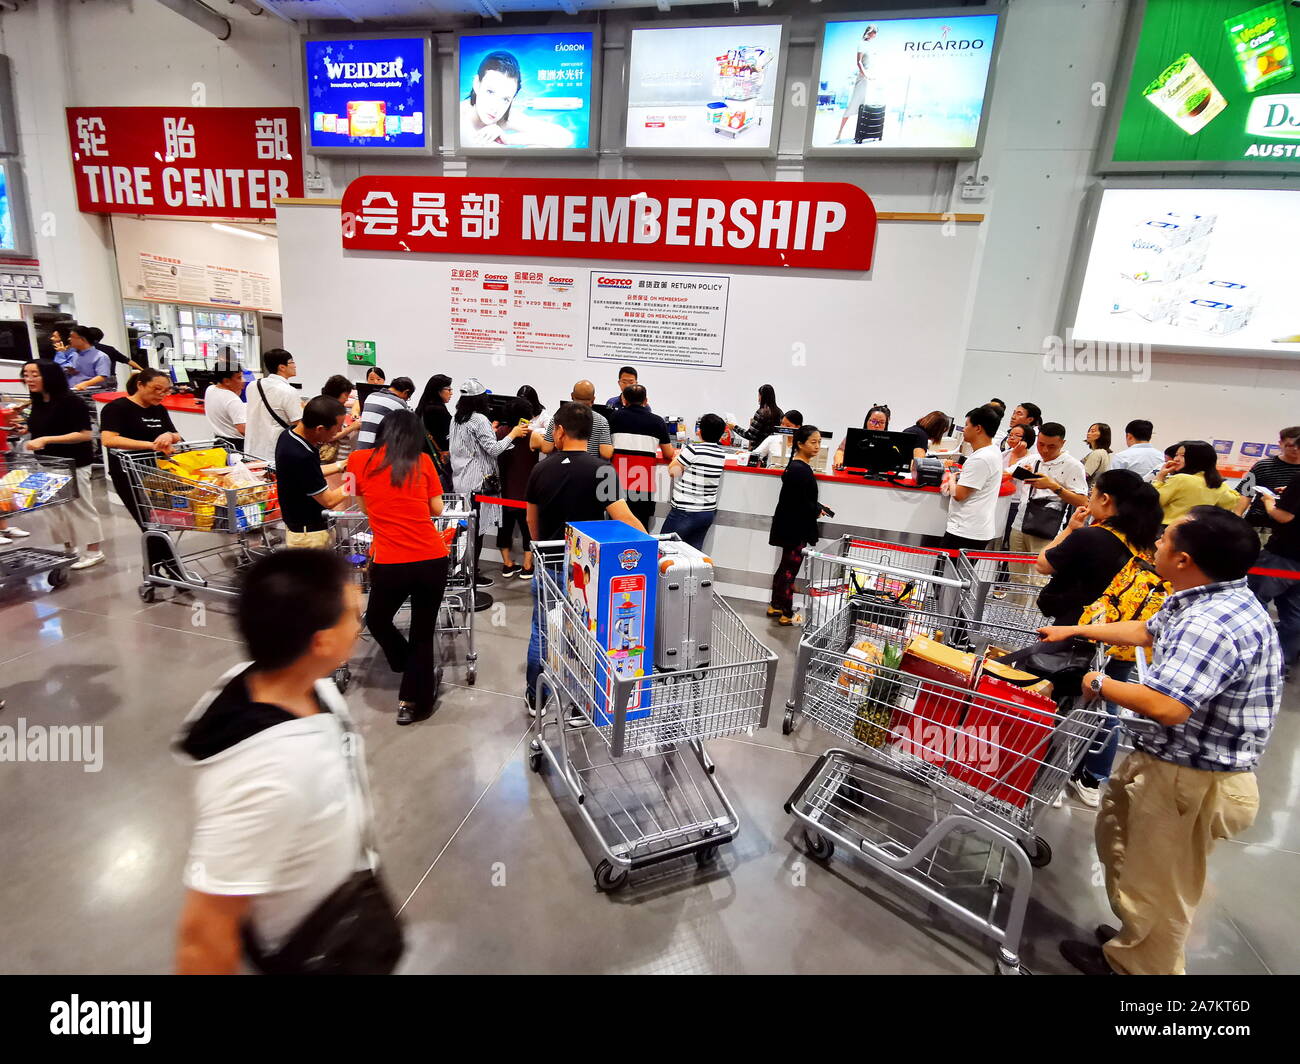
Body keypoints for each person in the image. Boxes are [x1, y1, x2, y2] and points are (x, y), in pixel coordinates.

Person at [1042, 508, 1279, 976]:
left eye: (1166, 538)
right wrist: (1076, 629)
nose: (1157, 542)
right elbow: (1146, 631)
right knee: (1124, 847)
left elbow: (1168, 706)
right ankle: (1136, 936)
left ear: (1185, 558)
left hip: (1191, 777)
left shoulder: (1210, 624)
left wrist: (1101, 683)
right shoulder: (1200, 597)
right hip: (1165, 757)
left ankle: (1141, 968)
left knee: (1161, 883)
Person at [174, 548, 389, 975]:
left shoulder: (303, 685)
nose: (360, 618)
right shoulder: (264, 776)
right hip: (308, 951)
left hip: (347, 914)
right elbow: (205, 935)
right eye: (351, 612)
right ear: (321, 640)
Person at [1032, 469, 1165, 805]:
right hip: (1121, 639)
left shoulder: (1091, 536)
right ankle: (1092, 779)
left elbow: (1043, 564)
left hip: (1074, 629)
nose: (1088, 497)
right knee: (1106, 708)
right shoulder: (1145, 543)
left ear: (1105, 499)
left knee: (1059, 701)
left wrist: (1070, 530)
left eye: (1093, 492)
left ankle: (1047, 776)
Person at [524, 402, 645, 711]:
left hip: (548, 564)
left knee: (542, 629)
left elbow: (531, 520)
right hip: (585, 571)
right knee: (583, 635)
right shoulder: (601, 470)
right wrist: (650, 544)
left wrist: (540, 546)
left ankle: (536, 696)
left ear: (560, 431)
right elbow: (624, 518)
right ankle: (580, 704)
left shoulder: (541, 468)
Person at [347, 411, 449, 724]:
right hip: (431, 558)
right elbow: (438, 508)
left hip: (389, 562)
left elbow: (361, 505)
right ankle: (413, 699)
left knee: (377, 619)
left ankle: (406, 667)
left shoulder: (358, 461)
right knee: (422, 631)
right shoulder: (423, 461)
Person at [21, 358, 105, 570]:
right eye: (26, 374)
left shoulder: (70, 401)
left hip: (73, 463)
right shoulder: (38, 400)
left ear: (49, 376)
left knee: (79, 508)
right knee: (55, 510)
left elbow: (85, 435)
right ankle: (69, 548)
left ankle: (94, 551)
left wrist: (46, 439)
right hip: (46, 463)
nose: (28, 379)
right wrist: (25, 431)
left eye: (34, 374)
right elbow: (40, 427)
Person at [450, 378, 528, 587]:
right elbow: (494, 450)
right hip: (479, 484)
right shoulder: (479, 420)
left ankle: (465, 572)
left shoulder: (457, 418)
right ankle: (471, 575)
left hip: (461, 480)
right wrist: (513, 433)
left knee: (467, 530)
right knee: (477, 531)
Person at [1006, 422, 1088, 597]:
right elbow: (1005, 473)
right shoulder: (1033, 459)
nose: (1044, 450)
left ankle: (1031, 621)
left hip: (1048, 529)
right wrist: (1021, 471)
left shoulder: (1072, 465)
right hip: (1019, 523)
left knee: (1039, 580)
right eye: (1041, 444)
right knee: (1016, 577)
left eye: (1052, 446)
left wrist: (1053, 486)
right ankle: (1014, 616)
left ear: (1062, 443)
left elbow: (1083, 501)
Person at [99, 368, 183, 532]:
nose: (161, 394)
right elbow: (109, 439)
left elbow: (176, 435)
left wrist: (168, 436)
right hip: (128, 474)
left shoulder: (159, 409)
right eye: (156, 389)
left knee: (161, 522)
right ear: (140, 385)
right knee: (150, 524)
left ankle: (165, 558)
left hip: (156, 473)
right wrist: (151, 445)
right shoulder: (117, 408)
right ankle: (162, 558)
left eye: (166, 391)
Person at [769, 424, 829, 625]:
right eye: (813, 442)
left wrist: (816, 506)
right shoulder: (800, 470)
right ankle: (786, 613)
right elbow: (800, 503)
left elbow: (799, 498)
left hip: (789, 525)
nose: (817, 446)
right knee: (789, 571)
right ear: (800, 444)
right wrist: (815, 509)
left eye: (819, 442)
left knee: (784, 567)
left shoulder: (795, 466)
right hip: (796, 528)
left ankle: (775, 604)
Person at [275, 396, 349, 549]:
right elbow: (329, 500)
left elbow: (307, 473)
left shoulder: (288, 436)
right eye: (338, 426)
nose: (340, 431)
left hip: (299, 529)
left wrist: (341, 465)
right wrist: (356, 480)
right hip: (309, 536)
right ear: (320, 429)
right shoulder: (302, 455)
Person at [460, 49, 574, 148]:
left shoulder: (504, 118)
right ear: (476, 84)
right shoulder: (459, 118)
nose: (495, 107)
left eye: (505, 99)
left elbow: (565, 137)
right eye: (490, 92)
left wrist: (508, 139)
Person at [1248, 472, 1300, 673]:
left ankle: (1251, 655)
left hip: (1281, 557)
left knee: (1253, 602)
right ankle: (1282, 663)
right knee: (1294, 613)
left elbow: (1284, 516)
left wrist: (1270, 502)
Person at [608, 383, 675, 532]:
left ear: (624, 400)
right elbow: (669, 453)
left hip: (617, 483)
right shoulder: (658, 422)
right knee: (640, 529)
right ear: (646, 401)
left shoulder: (614, 417)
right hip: (643, 484)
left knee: (614, 529)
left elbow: (607, 449)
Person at [941, 405, 1003, 550]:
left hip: (965, 531)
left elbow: (959, 494)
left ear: (978, 428)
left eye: (967, 425)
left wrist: (950, 478)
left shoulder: (981, 458)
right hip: (975, 529)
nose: (964, 429)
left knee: (945, 572)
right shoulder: (992, 451)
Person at [663, 412, 728, 551]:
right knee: (693, 555)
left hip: (685, 511)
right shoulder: (721, 454)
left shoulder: (693, 449)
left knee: (666, 549)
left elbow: (673, 472)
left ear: (700, 431)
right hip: (706, 512)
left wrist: (678, 456)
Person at [494, 396, 539, 579]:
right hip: (527, 493)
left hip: (503, 492)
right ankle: (528, 565)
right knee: (529, 529)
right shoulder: (532, 435)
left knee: (503, 529)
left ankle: (507, 564)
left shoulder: (499, 433)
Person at [1153, 441, 1244, 524]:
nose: (1176, 459)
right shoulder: (1218, 484)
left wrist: (1160, 477)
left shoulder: (1181, 479)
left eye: (1183, 456)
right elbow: (1232, 502)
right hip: (1198, 532)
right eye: (1176, 455)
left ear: (1197, 458)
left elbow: (1153, 501)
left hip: (1169, 528)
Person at [245, 349, 303, 465]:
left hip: (250, 449)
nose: (295, 365)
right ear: (282, 367)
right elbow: (298, 423)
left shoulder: (253, 385)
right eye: (292, 362)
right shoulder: (288, 391)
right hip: (273, 452)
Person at [1241, 425, 1300, 537]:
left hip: (1291, 528)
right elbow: (1245, 492)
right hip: (1257, 523)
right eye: (1290, 445)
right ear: (1280, 443)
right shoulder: (1262, 465)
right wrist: (1237, 517)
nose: (1295, 449)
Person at [536, 380, 613, 459]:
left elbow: (546, 448)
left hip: (563, 466)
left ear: (572, 396)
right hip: (589, 468)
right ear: (593, 399)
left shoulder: (558, 417)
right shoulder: (601, 421)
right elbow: (606, 453)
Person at [835, 23, 879, 142]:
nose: (874, 36)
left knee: (867, 105)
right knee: (854, 104)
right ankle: (839, 132)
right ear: (869, 33)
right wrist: (866, 75)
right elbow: (858, 62)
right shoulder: (862, 44)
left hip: (870, 78)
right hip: (863, 78)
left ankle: (865, 133)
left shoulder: (871, 46)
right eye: (873, 34)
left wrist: (872, 76)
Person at [356, 375, 415, 451]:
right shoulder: (399, 403)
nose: (406, 400)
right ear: (406, 392)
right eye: (408, 398)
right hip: (376, 452)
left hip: (360, 448)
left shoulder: (370, 396)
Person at [830, 404, 890, 469]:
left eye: (881, 422)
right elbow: (840, 451)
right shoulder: (854, 435)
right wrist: (838, 460)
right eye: (873, 421)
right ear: (866, 421)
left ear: (885, 425)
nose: (877, 425)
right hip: (854, 474)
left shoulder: (890, 440)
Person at [319, 374, 361, 463]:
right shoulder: (325, 409)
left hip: (341, 460)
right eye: (346, 395)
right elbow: (328, 437)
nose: (347, 399)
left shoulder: (336, 408)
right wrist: (352, 427)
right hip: (332, 460)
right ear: (337, 392)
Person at [204, 367, 247, 451]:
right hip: (236, 447)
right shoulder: (232, 400)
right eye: (239, 378)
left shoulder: (210, 389)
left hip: (218, 443)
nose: (243, 380)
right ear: (227, 381)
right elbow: (243, 429)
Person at [733, 384, 783, 450]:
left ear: (762, 396)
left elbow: (750, 435)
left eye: (759, 395)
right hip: (774, 450)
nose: (758, 398)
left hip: (759, 450)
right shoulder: (780, 412)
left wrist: (734, 427)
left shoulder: (761, 413)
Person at [415, 373, 453, 457]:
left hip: (423, 454)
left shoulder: (423, 406)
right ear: (438, 391)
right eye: (449, 389)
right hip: (436, 456)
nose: (451, 393)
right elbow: (444, 435)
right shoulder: (437, 409)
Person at [65, 325, 113, 392]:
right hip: (73, 390)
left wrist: (86, 384)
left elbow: (103, 376)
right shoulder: (74, 355)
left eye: (72, 337)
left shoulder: (101, 356)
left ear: (83, 339)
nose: (69, 339)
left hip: (89, 392)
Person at [1083, 422, 1112, 488]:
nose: (1088, 433)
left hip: (1088, 491)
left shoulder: (1097, 453)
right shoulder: (1104, 452)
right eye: (1089, 431)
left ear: (1102, 435)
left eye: (1093, 431)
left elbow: (1084, 475)